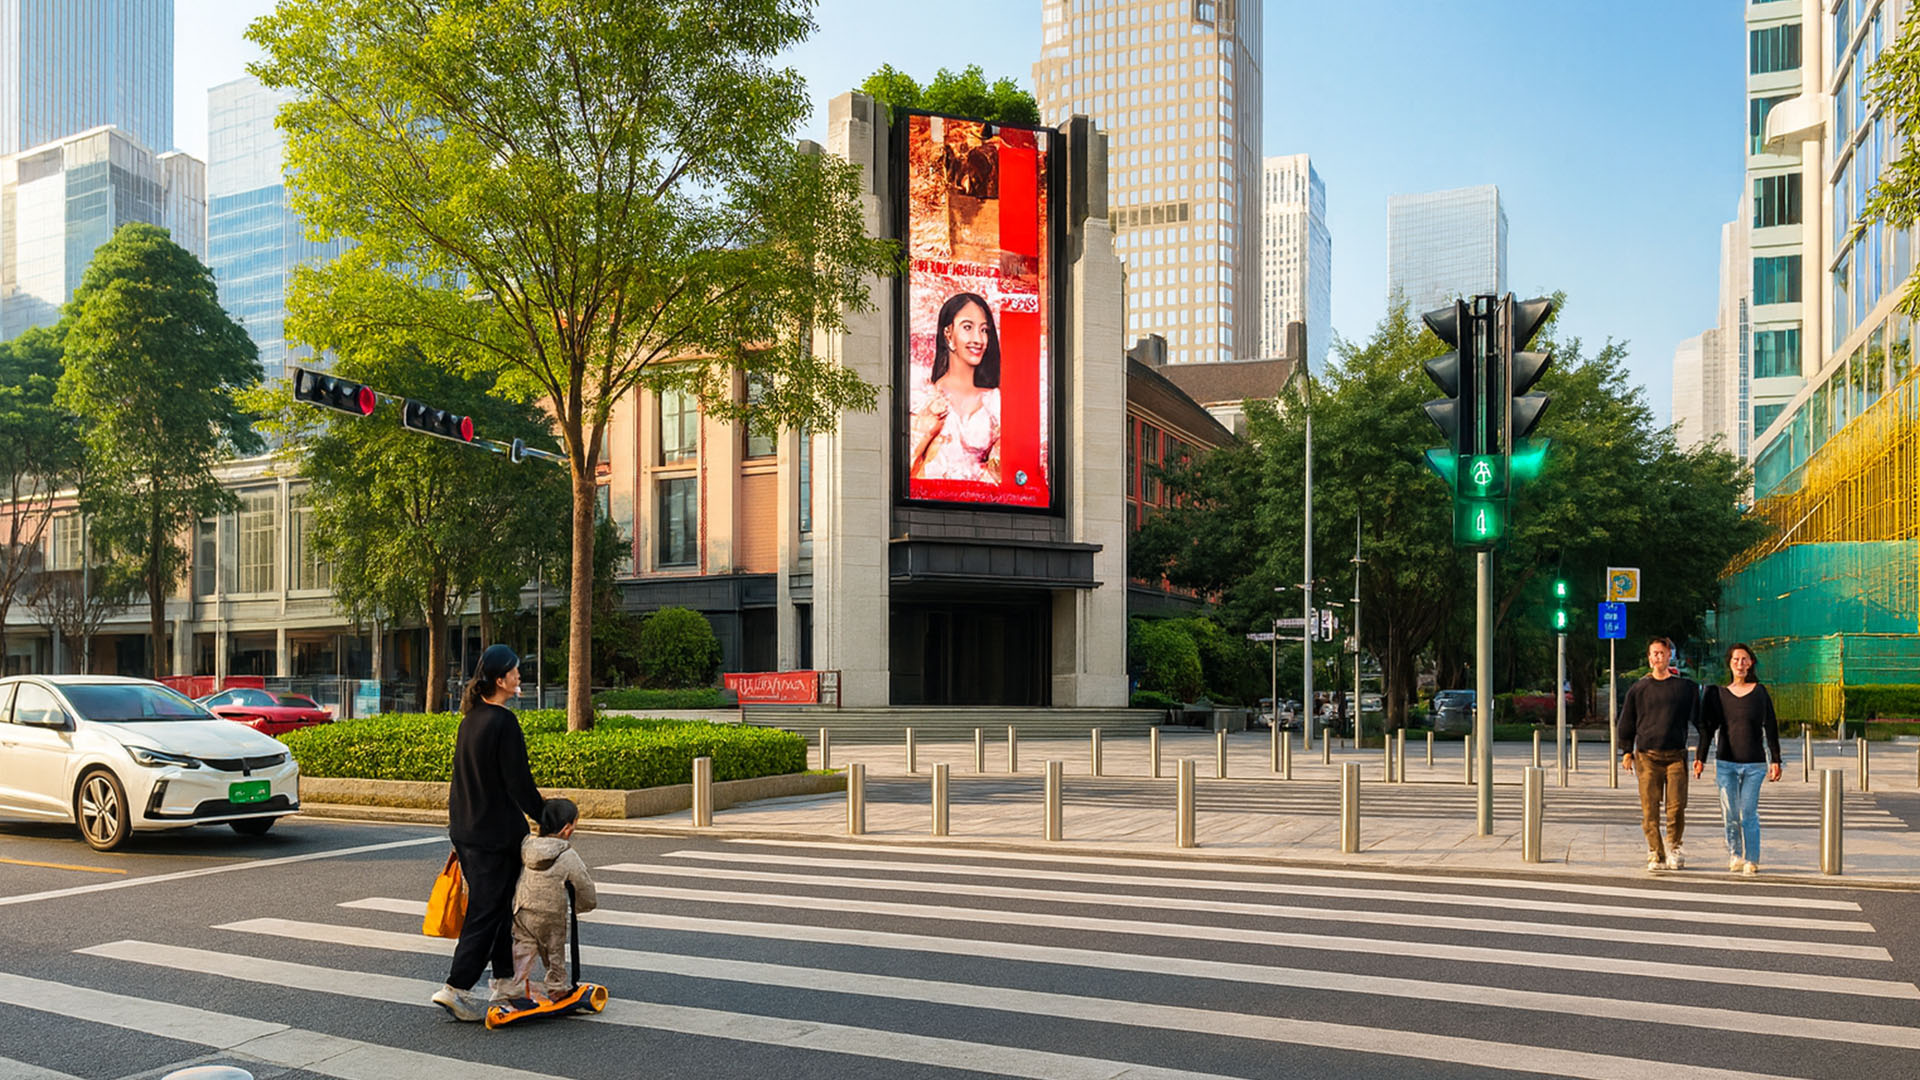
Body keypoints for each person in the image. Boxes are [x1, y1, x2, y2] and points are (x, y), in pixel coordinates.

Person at [432, 644, 548, 1022]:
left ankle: (506, 982)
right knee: (486, 909)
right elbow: (519, 784)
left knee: (496, 907)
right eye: (515, 672)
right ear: (500, 680)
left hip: (466, 830)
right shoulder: (503, 721)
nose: (519, 677)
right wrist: (549, 817)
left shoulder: (471, 719)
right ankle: (456, 987)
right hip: (495, 835)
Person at [1694, 643, 1782, 876]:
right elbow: (1708, 727)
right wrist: (1700, 757)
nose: (1740, 664)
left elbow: (1771, 726)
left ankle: (1752, 858)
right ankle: (1735, 853)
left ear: (1751, 663)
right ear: (1730, 664)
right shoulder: (1719, 694)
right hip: (1726, 763)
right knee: (1730, 813)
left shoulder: (1760, 692)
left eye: (1744, 660)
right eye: (1736, 660)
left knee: (1748, 812)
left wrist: (1776, 759)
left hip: (1754, 764)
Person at [1616, 636, 1702, 872]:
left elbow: (1699, 720)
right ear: (1649, 658)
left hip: (1675, 756)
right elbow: (1627, 721)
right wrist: (1626, 751)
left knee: (1676, 807)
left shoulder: (1683, 688)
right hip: (1646, 756)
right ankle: (1655, 852)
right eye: (1653, 653)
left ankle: (1674, 848)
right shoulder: (1639, 689)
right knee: (1650, 808)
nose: (1657, 657)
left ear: (1669, 656)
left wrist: (1702, 753)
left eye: (1662, 653)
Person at [511, 797, 599, 1002]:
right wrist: (584, 905)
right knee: (554, 953)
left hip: (522, 909)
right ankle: (556, 987)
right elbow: (583, 885)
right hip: (551, 914)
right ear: (567, 828)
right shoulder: (567, 854)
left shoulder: (526, 847)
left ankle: (515, 985)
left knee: (523, 948)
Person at [909, 292, 1002, 484]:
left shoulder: (996, 402)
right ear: (948, 333)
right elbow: (901, 469)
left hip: (982, 507)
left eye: (984, 330)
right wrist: (927, 429)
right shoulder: (924, 398)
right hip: (929, 505)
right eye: (967, 327)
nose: (978, 339)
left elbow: (1006, 475)